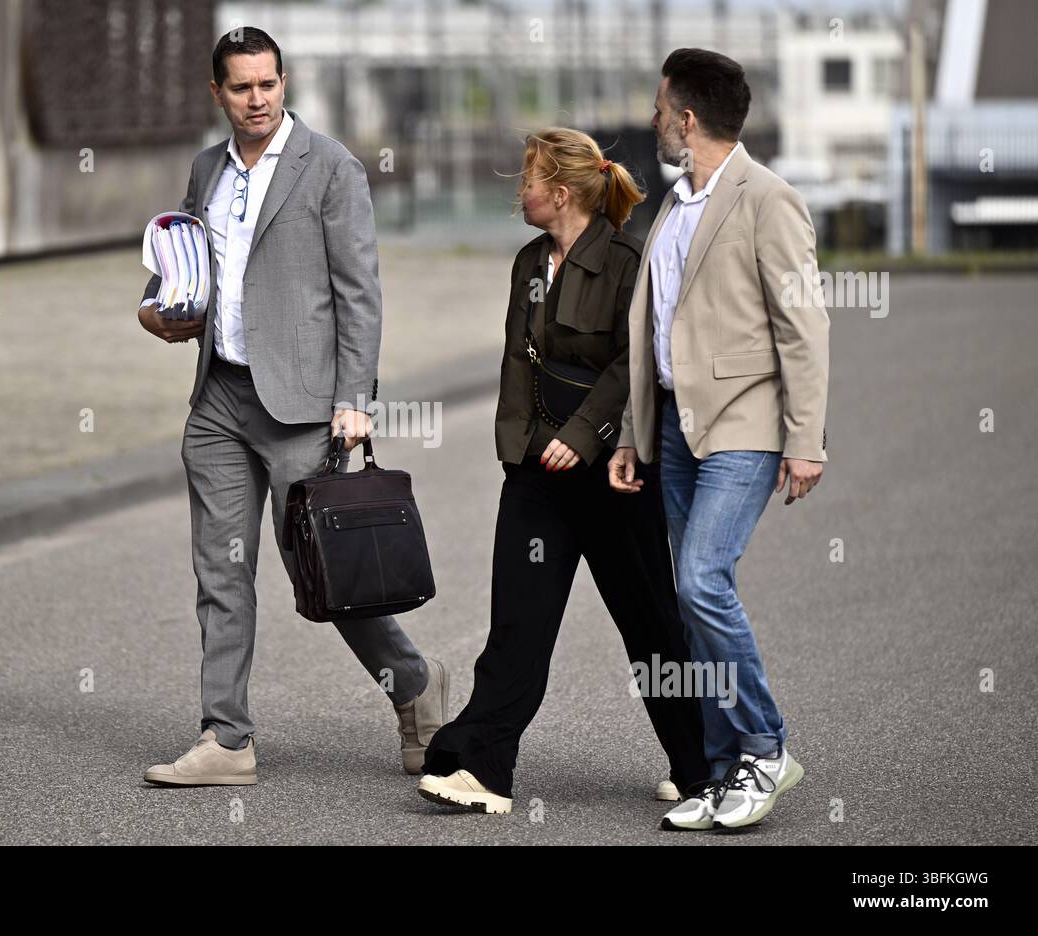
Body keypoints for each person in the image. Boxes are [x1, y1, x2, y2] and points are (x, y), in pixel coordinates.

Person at [136, 27, 448, 787]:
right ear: (217, 93)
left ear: (284, 82)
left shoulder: (332, 167)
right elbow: (185, 270)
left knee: (327, 570)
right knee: (220, 571)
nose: (256, 100)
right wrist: (159, 313)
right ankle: (227, 739)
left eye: (268, 85)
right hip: (219, 397)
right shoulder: (206, 167)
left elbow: (359, 294)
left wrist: (355, 402)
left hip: (303, 406)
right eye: (241, 87)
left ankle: (414, 683)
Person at [415, 128, 710, 815]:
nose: (517, 192)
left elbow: (636, 362)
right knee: (518, 623)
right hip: (537, 475)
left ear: (561, 192)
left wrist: (586, 437)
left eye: (525, 181)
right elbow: (520, 361)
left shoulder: (629, 262)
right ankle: (486, 770)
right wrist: (516, 451)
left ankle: (704, 766)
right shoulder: (527, 263)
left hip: (616, 474)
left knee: (653, 629)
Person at [608, 48, 829, 830]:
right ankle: (721, 766)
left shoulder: (768, 199)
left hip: (744, 423)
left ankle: (766, 747)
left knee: (703, 580)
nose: (653, 118)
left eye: (660, 105)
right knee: (691, 600)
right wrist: (637, 432)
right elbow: (655, 328)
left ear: (687, 118)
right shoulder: (674, 203)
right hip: (673, 425)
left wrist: (806, 439)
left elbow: (803, 326)